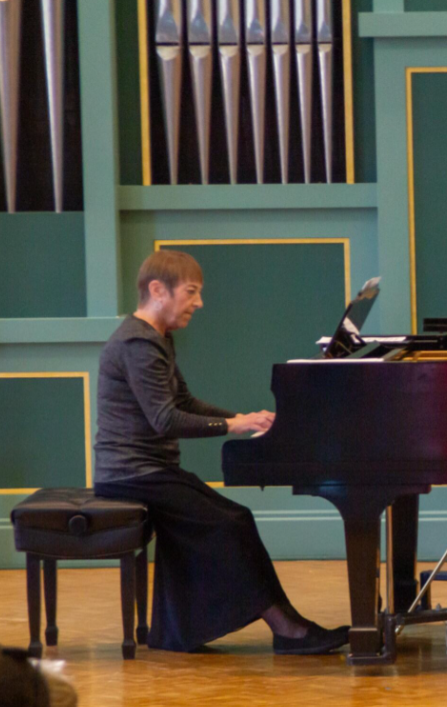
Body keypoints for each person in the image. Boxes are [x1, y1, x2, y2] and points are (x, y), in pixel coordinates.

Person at [93, 250, 348, 655]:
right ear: (158, 290)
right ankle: (288, 630)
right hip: (133, 474)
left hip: (148, 471)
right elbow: (165, 420)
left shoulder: (156, 337)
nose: (199, 302)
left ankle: (181, 633)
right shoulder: (138, 344)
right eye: (192, 292)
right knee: (231, 522)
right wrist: (233, 425)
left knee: (227, 520)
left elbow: (184, 403)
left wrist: (241, 416)